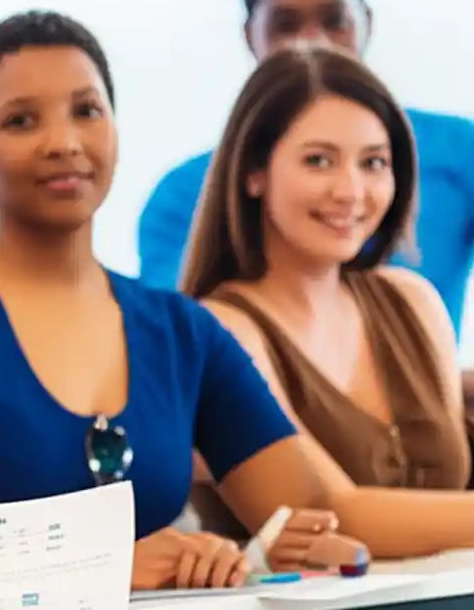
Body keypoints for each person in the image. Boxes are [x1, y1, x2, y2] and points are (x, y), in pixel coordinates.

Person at [0, 10, 474, 588]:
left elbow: (310, 526)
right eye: (21, 120)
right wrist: (101, 566)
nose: (63, 141)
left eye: (86, 110)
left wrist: (247, 556)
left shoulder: (181, 331)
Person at [181, 44, 471, 539]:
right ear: (254, 171)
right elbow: (331, 514)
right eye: (319, 161)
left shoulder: (413, 301)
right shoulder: (222, 330)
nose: (350, 191)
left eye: (374, 163)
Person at [138, 0, 474, 336]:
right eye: (285, 25)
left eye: (374, 164)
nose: (313, 42)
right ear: (254, 177)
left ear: (366, 20)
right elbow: (182, 342)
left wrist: (444, 379)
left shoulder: (460, 151)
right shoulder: (182, 197)